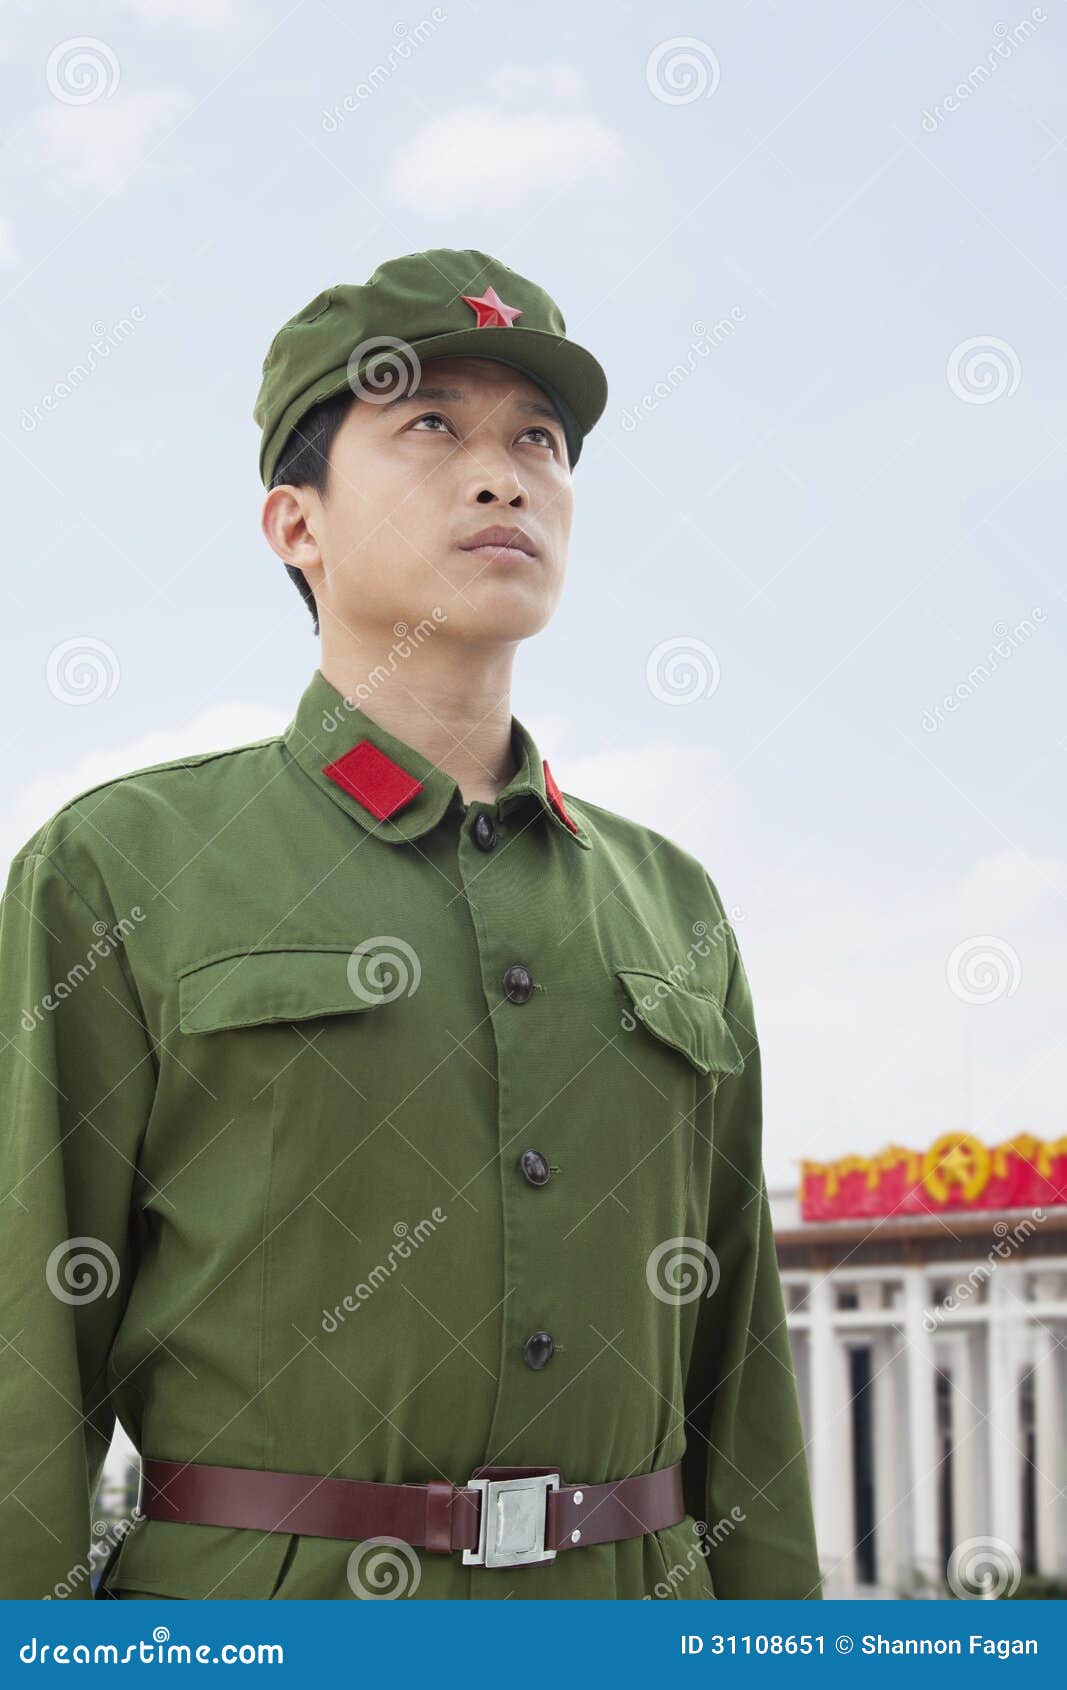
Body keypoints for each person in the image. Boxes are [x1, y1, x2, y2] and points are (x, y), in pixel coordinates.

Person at [0, 248, 822, 1600]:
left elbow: (745, 1371)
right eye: (430, 424)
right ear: (295, 524)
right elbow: (25, 1346)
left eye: (540, 441)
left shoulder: (673, 902)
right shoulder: (118, 868)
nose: (506, 475)